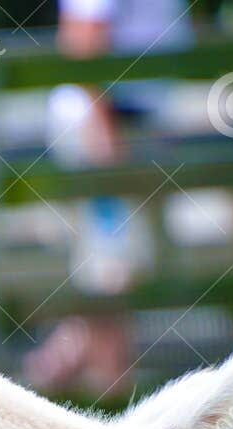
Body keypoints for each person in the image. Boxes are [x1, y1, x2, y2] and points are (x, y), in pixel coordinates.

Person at [24, 0, 194, 398]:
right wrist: (104, 142)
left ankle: (55, 371)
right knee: (112, 268)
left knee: (122, 265)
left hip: (126, 122)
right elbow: (82, 38)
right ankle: (110, 394)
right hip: (103, 125)